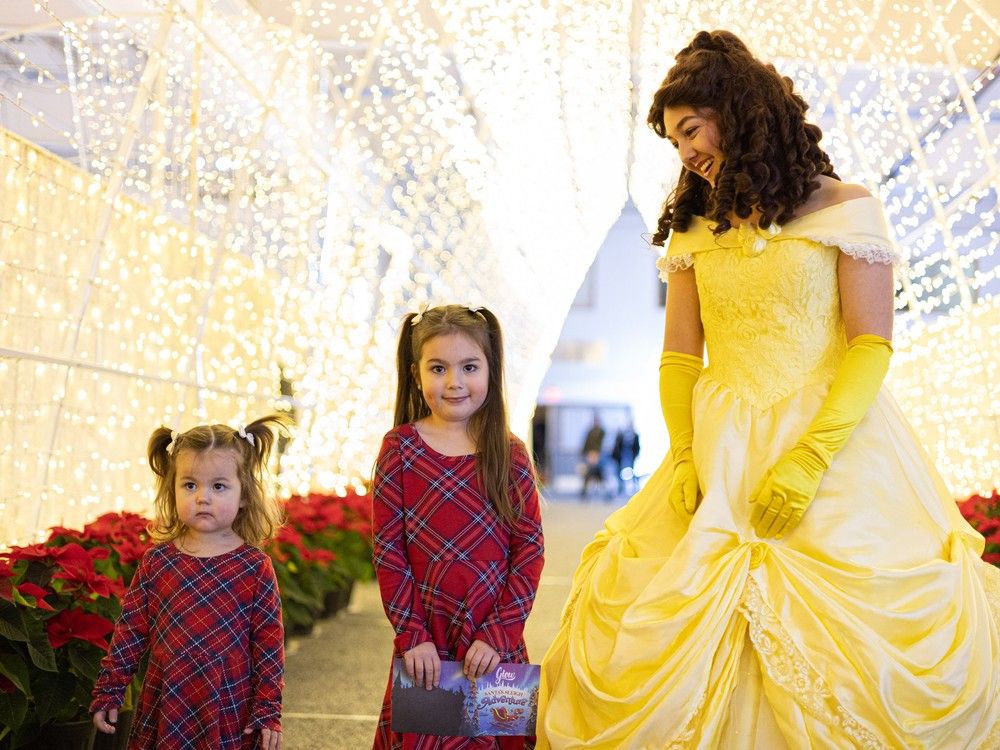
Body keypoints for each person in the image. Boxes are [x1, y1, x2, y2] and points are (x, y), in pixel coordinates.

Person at [537, 30, 1000, 749]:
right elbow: (679, 356)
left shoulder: (847, 208)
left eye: (692, 129)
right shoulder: (693, 227)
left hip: (835, 440)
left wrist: (813, 455)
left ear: (739, 111)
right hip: (718, 443)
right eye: (674, 141)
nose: (685, 152)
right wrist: (685, 452)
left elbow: (870, 345)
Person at [372, 304, 545, 750]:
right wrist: (412, 635)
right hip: (425, 645)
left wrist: (500, 633)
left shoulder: (510, 453)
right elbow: (389, 552)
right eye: (438, 368)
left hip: (493, 645)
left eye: (469, 367)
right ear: (416, 374)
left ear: (491, 369)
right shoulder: (400, 450)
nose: (454, 382)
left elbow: (529, 551)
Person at [91, 415, 288, 750]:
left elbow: (268, 644)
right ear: (173, 489)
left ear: (244, 494)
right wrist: (111, 688)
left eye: (218, 486)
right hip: (168, 701)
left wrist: (267, 709)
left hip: (227, 706)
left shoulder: (254, 567)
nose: (202, 497)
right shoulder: (158, 561)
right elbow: (131, 630)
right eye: (190, 485)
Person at [610, 424, 640, 497]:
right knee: (619, 474)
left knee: (632, 474)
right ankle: (621, 490)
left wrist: (635, 457)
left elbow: (637, 448)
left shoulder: (635, 436)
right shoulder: (620, 437)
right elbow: (617, 449)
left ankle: (635, 489)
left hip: (631, 459)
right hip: (621, 459)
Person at [579, 416, 605, 499]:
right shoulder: (590, 432)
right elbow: (586, 443)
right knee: (590, 471)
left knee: (597, 472)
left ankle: (602, 489)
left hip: (597, 454)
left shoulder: (601, 432)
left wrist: (596, 453)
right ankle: (585, 490)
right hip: (590, 453)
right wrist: (585, 453)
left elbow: (601, 443)